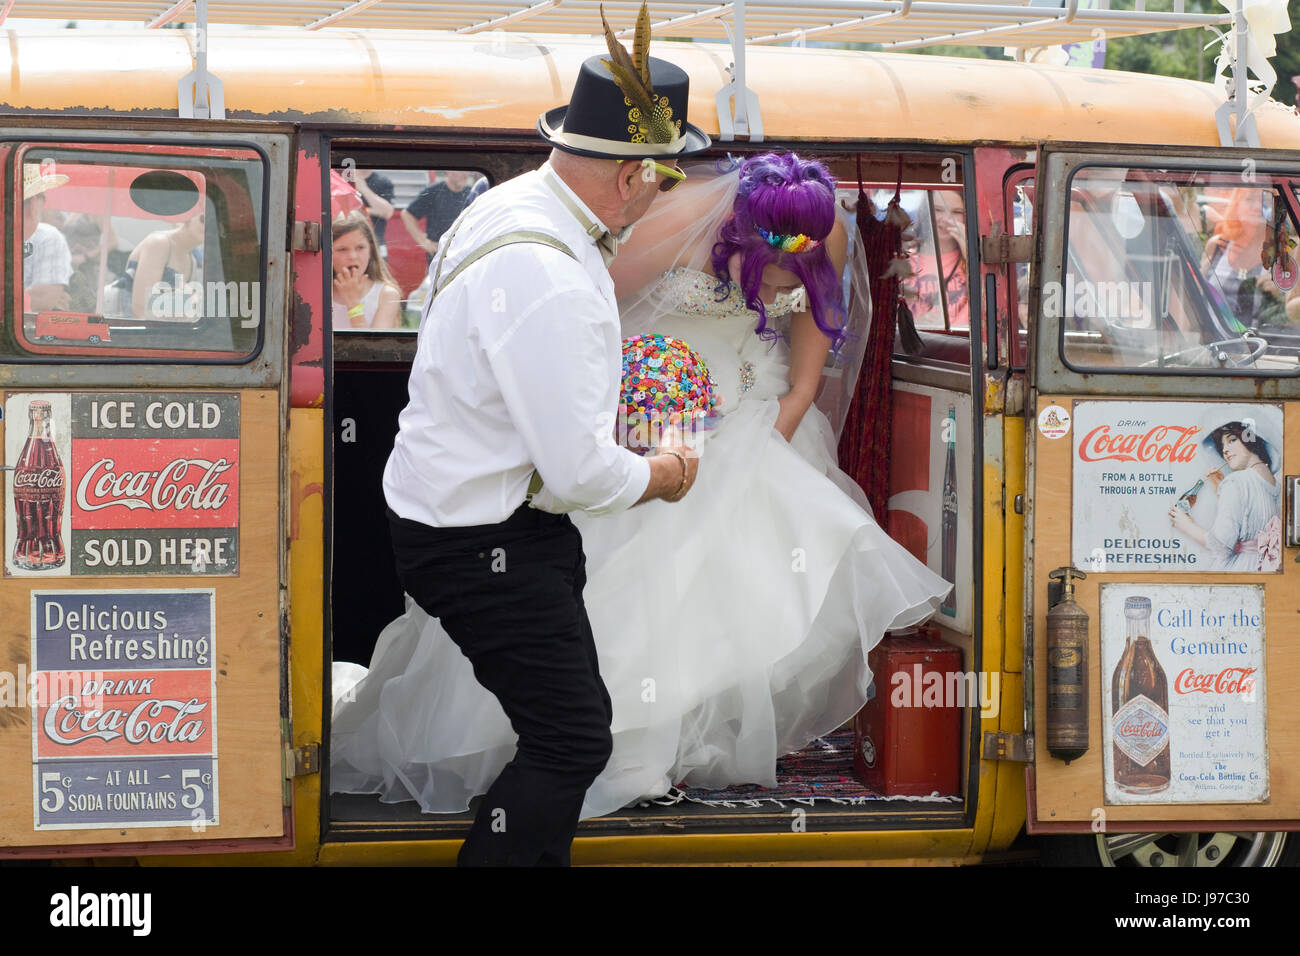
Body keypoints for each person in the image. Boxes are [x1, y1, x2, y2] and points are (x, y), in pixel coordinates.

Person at [332, 151, 952, 832]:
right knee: (633, 595)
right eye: (770, 259)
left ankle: (678, 747)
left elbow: (809, 355)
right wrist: (630, 415)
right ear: (740, 227)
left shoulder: (823, 230)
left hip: (749, 414)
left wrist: (767, 433)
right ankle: (612, 752)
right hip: (643, 420)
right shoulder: (672, 224)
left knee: (754, 576)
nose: (783, 277)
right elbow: (589, 320)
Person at [335, 5, 712, 867]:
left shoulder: (507, 204)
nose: (665, 197)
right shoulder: (551, 274)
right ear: (630, 179)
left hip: (467, 519)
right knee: (574, 742)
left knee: (568, 725)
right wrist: (666, 470)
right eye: (666, 179)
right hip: (484, 538)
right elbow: (579, 471)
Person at [1168, 415, 1282, 572]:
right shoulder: (1276, 484)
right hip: (1268, 569)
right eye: (1221, 446)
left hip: (1240, 571)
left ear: (1252, 439)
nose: (1225, 450)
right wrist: (1219, 489)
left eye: (1232, 439)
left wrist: (1185, 524)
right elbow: (1251, 518)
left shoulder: (1236, 481)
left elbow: (1220, 546)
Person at [103, 210, 205, 320]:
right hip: (118, 323)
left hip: (153, 329)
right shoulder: (159, 242)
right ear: (188, 216)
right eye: (203, 219)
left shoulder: (192, 262)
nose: (208, 226)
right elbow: (140, 307)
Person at [330, 211, 401, 330]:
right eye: (342, 249)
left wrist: (353, 303)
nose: (352, 256)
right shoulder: (319, 292)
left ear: (371, 250)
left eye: (360, 248)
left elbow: (373, 346)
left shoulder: (386, 295)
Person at [22, 164, 73, 312]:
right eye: (43, 197)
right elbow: (44, 297)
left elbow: (44, 296)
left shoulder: (46, 237)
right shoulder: (48, 237)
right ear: (34, 203)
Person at [400, 169, 473, 260]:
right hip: (438, 257)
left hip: (464, 256)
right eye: (460, 170)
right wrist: (424, 242)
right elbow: (407, 215)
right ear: (448, 171)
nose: (465, 174)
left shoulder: (472, 194)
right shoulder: (434, 192)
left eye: (466, 170)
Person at [355, 169, 396, 258]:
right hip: (349, 242)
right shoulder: (343, 180)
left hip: (376, 243)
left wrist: (362, 187)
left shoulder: (382, 182)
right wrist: (373, 210)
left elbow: (387, 212)